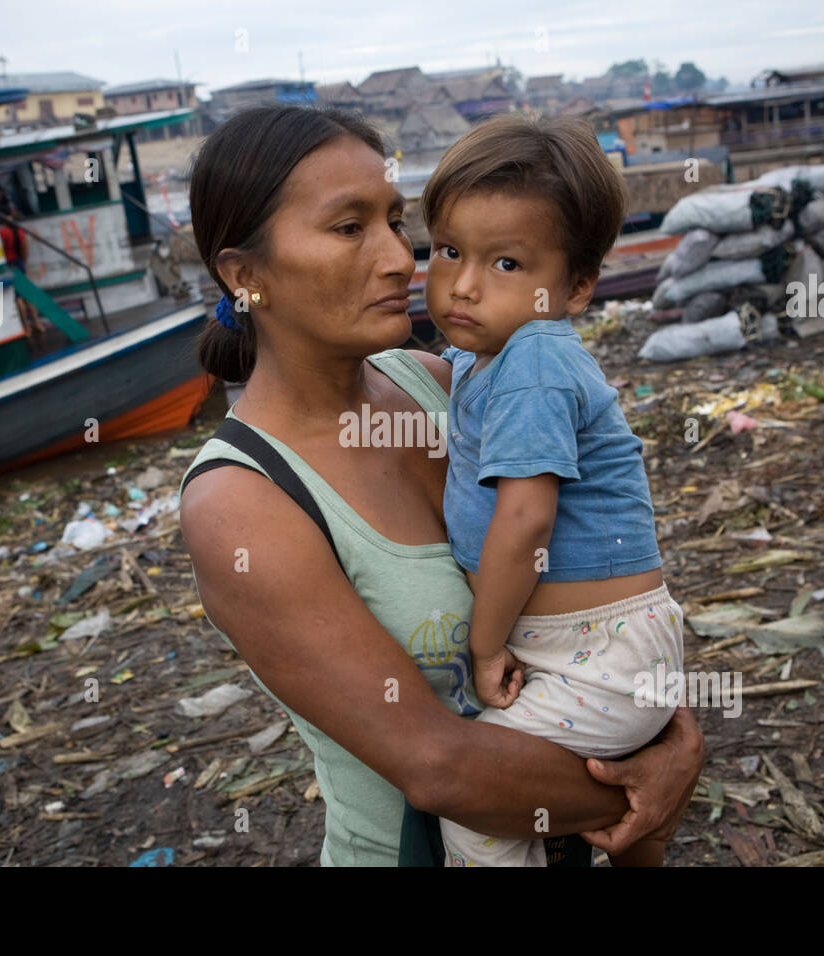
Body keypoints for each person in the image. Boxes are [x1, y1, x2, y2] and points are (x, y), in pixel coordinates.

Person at [176, 106, 704, 867]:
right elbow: (435, 765)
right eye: (349, 227)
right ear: (245, 275)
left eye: (397, 222)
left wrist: (659, 729)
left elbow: (592, 600)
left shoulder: (440, 385)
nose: (400, 258)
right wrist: (650, 784)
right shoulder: (243, 504)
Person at [420, 114, 684, 867]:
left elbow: (528, 520)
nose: (462, 284)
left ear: (576, 286)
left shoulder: (533, 358)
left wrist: (483, 644)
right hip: (587, 650)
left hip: (600, 654)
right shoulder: (486, 353)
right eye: (447, 251)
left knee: (478, 806)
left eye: (506, 264)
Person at [0, 183, 48, 342]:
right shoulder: (20, 232)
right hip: (20, 263)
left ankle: (26, 327)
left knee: (18, 298)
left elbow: (0, 250)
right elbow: (25, 250)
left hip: (9, 265)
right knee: (28, 295)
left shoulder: (2, 233)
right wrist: (24, 264)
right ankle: (37, 323)